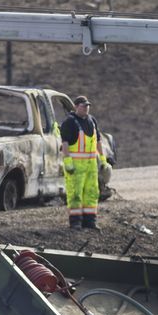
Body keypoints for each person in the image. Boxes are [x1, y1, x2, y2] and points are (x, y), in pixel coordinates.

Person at [59, 95, 109, 230]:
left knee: (92, 192)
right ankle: (75, 222)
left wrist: (103, 160)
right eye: (83, 106)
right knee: (75, 193)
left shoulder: (92, 121)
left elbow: (98, 141)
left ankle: (90, 221)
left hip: (91, 166)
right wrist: (67, 161)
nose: (86, 108)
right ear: (76, 107)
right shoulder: (69, 122)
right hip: (75, 167)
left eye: (88, 106)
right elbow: (65, 143)